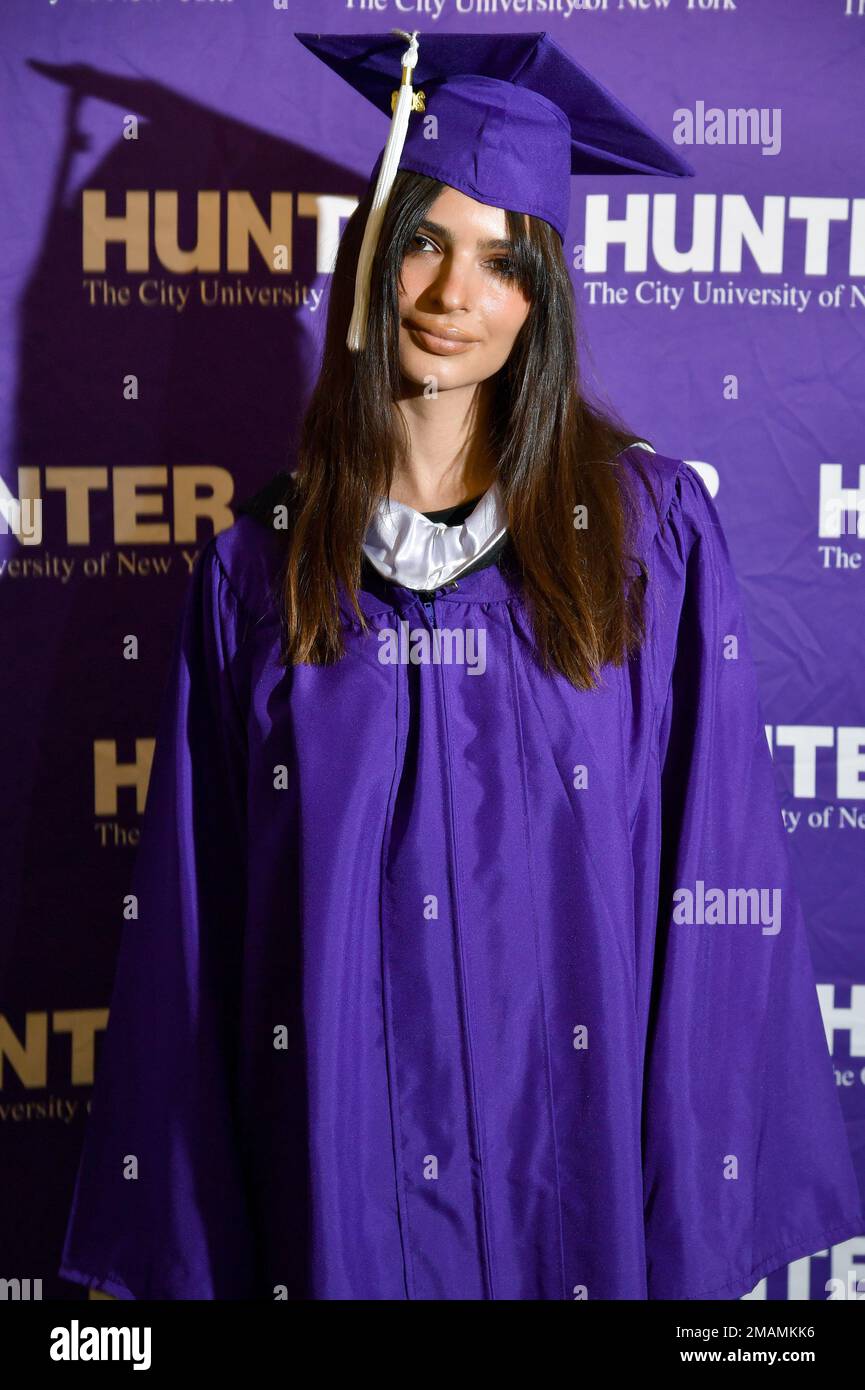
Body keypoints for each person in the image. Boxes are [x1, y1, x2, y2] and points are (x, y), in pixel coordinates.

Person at [60, 31, 863, 1301]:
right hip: (336, 1201)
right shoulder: (257, 574)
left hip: (576, 1195)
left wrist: (688, 1215)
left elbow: (719, 879)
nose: (451, 294)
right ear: (373, 256)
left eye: (502, 261)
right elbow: (196, 941)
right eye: (424, 239)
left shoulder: (644, 536)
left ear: (538, 296)